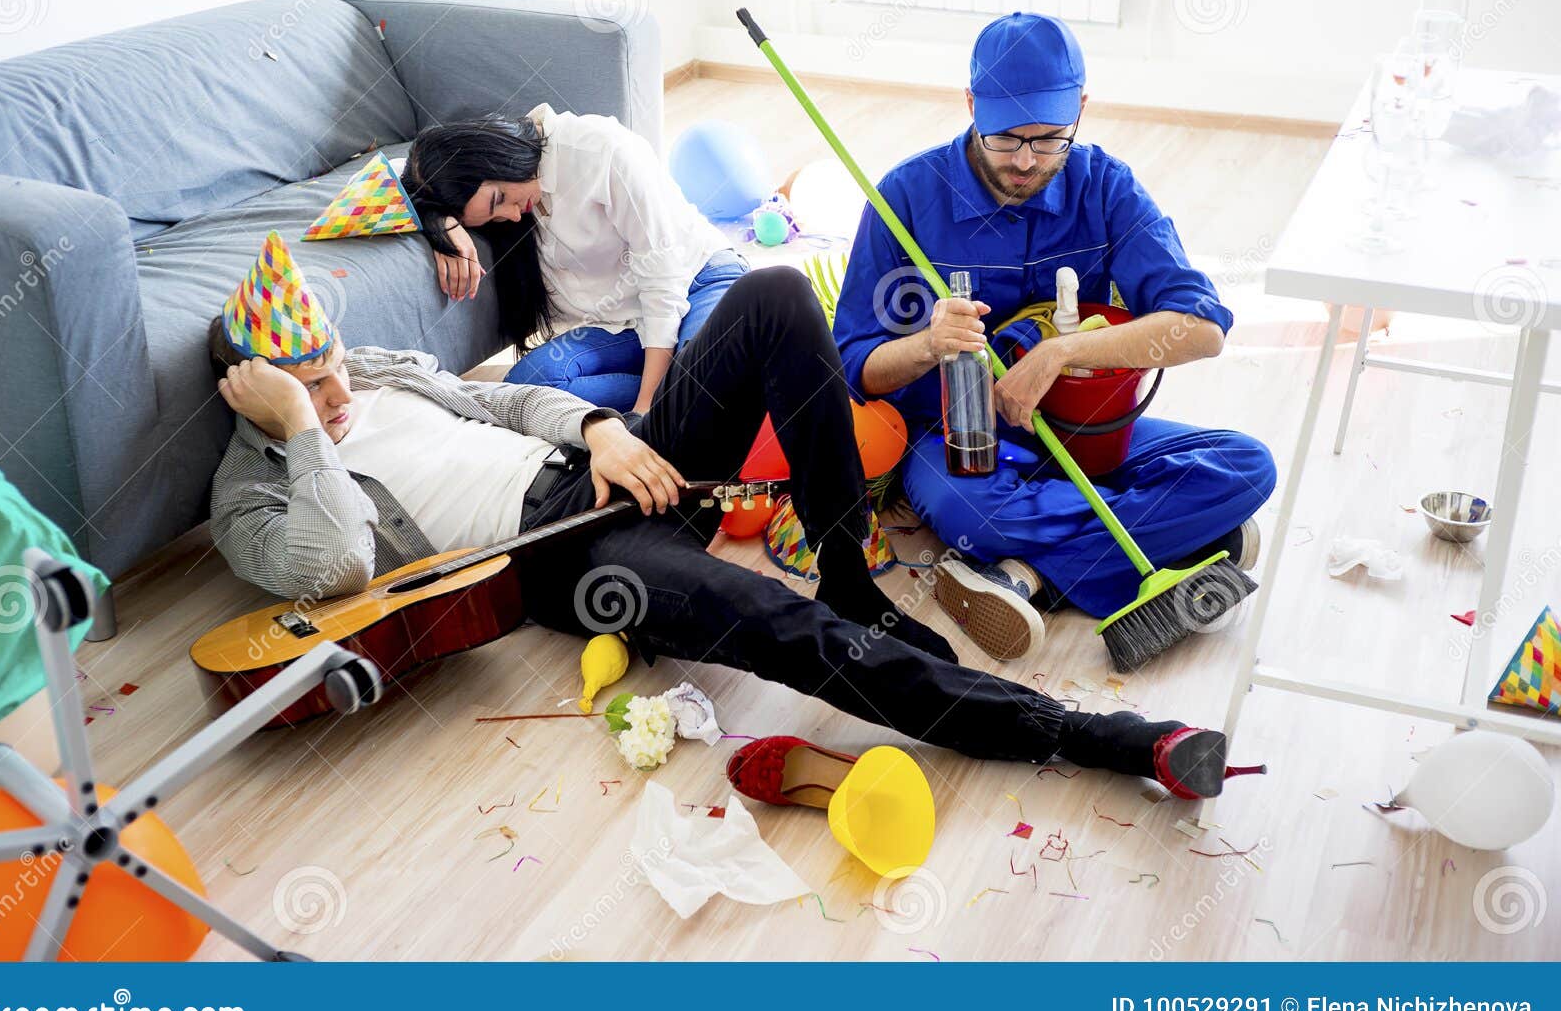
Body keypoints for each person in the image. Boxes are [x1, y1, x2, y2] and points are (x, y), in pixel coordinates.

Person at [205, 254, 1257, 799]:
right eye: (302, 386)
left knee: (772, 294)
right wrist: (302, 430)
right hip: (576, 562)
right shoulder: (249, 491)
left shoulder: (384, 371)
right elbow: (335, 564)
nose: (333, 391)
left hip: (615, 467)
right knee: (772, 624)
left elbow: (511, 400)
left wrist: (605, 428)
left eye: (331, 366)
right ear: (248, 392)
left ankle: (846, 566)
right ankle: (1114, 743)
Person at [833, 12, 1277, 662]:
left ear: (1082, 109)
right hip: (963, 441)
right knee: (967, 513)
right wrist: (928, 344)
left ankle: (1029, 577)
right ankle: (1174, 538)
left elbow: (1202, 329)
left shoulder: (1106, 187)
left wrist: (1063, 352)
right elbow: (854, 363)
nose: (1024, 160)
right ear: (969, 107)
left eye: (1047, 140)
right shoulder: (904, 196)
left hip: (1088, 429)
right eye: (1006, 138)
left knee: (1247, 465)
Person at [401, 105, 748, 414]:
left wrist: (644, 410)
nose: (511, 215)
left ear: (494, 156)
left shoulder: (601, 149)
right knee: (531, 386)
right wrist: (441, 223)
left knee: (705, 376)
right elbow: (390, 182)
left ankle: (683, 385)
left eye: (500, 199)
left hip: (696, 282)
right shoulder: (504, 201)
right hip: (623, 322)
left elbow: (664, 284)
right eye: (493, 218)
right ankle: (684, 387)